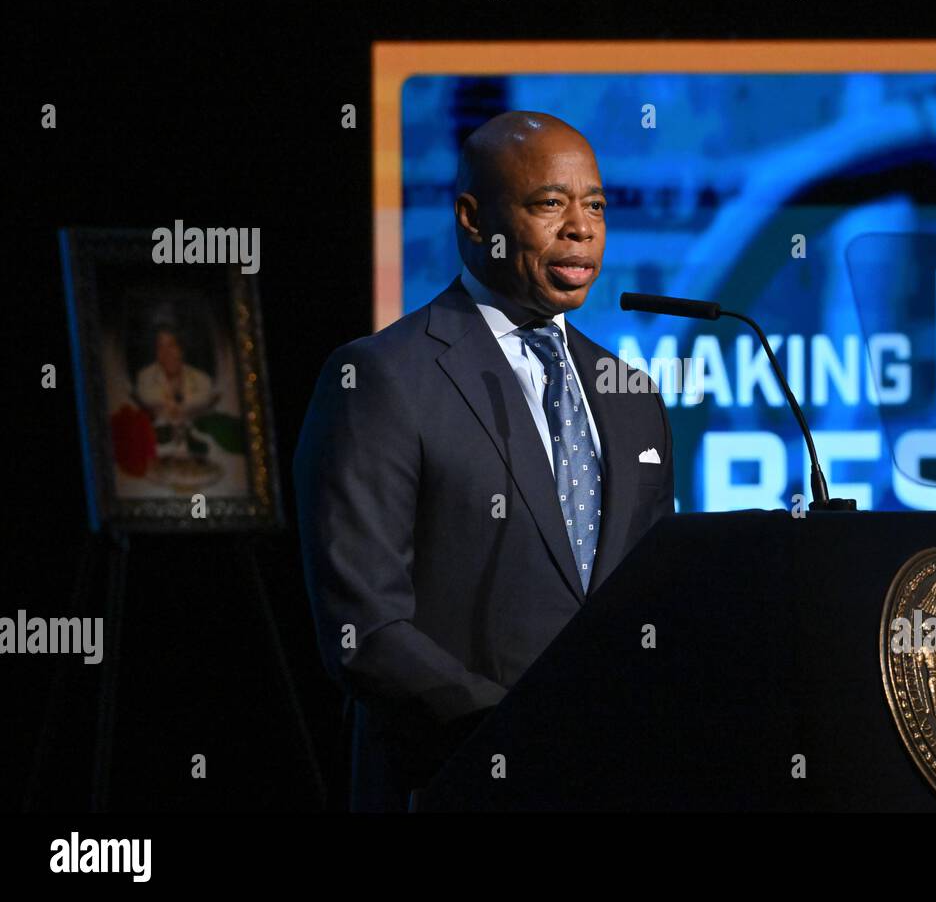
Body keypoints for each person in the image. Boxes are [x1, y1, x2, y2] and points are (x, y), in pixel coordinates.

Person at [294, 111, 675, 811]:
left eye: (594, 205)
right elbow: (364, 631)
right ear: (474, 220)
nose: (581, 229)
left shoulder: (632, 397)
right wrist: (522, 735)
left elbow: (657, 600)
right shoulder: (380, 380)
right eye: (549, 204)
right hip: (456, 783)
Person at [134, 325, 213, 431]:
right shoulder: (144, 377)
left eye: (171, 345)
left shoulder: (202, 379)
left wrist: (172, 405)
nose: (166, 352)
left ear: (181, 350)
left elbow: (204, 399)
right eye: (160, 347)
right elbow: (147, 398)